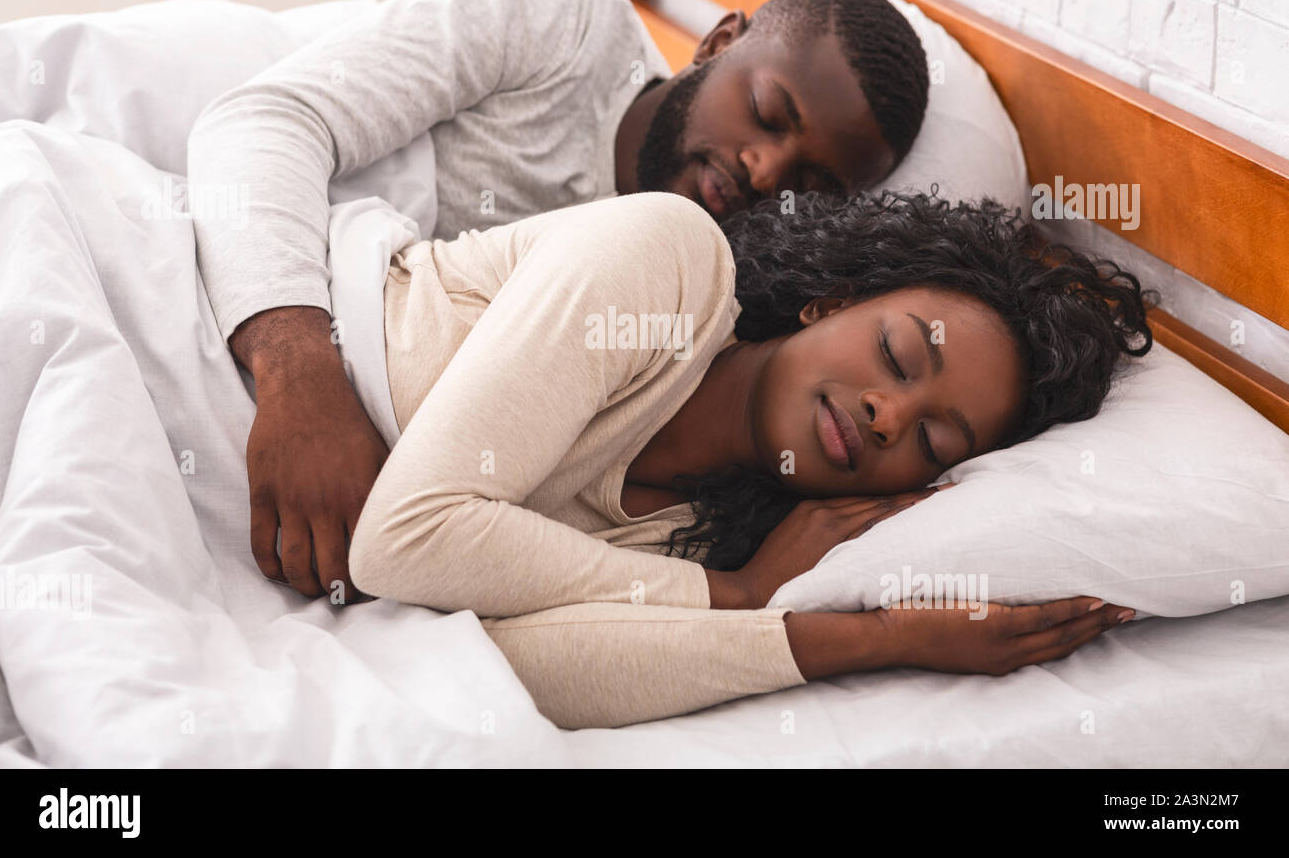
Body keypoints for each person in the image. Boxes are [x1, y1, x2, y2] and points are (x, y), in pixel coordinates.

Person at [185, 0, 931, 598]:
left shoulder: (707, 308)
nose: (766, 171)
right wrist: (300, 379)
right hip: (237, 250)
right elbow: (266, 121)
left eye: (812, 186)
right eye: (768, 113)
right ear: (718, 40)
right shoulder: (561, 18)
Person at [345, 188, 1151, 728]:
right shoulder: (668, 262)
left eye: (932, 441)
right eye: (899, 357)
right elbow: (407, 541)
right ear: (830, 302)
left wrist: (869, 638)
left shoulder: (706, 536)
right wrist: (734, 597)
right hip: (239, 378)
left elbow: (509, 667)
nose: (888, 414)